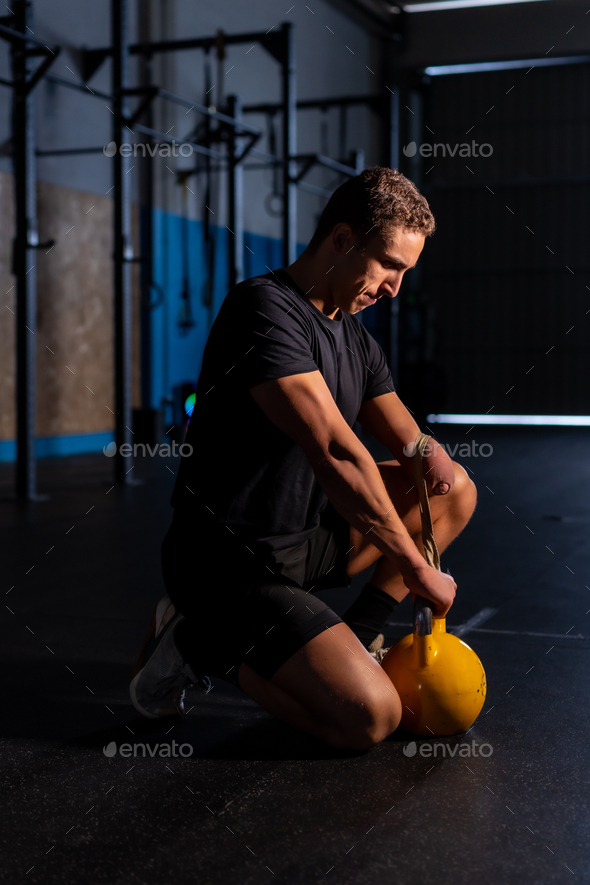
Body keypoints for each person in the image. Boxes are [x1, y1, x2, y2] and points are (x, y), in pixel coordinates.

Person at [129, 166, 477, 750]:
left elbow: (407, 439)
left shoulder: (356, 337)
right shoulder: (262, 311)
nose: (394, 287)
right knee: (368, 719)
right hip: (226, 567)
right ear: (341, 240)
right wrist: (417, 569)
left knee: (455, 491)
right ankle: (195, 638)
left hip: (304, 543)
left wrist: (429, 453)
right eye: (389, 265)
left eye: (405, 273)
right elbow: (337, 452)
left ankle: (361, 634)